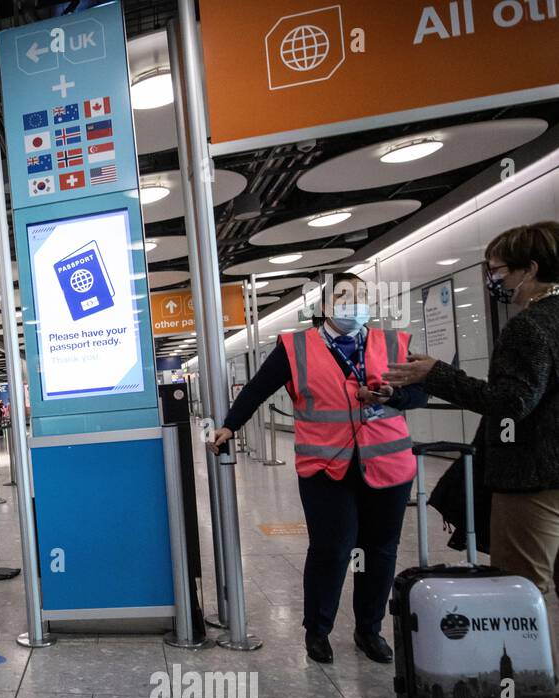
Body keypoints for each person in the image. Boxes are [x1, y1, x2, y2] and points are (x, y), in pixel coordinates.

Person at [208, 272, 426, 665]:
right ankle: (318, 630)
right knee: (333, 547)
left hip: (387, 464)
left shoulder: (390, 343)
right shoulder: (296, 348)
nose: (354, 304)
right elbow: (257, 389)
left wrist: (396, 394)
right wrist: (229, 425)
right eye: (344, 297)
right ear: (324, 306)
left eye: (361, 297)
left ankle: (369, 629)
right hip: (326, 467)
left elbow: (421, 392)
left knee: (379, 550)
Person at [385, 222, 559, 671]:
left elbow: (509, 404)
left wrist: (437, 375)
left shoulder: (530, 328)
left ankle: (525, 692)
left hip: (534, 480)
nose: (494, 279)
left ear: (531, 269)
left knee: (524, 590)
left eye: (499, 270)